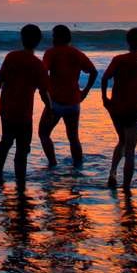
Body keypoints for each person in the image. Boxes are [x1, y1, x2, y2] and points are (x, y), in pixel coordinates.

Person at [0, 23, 53, 185]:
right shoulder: (38, 65)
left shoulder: (11, 57)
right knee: (22, 148)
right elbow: (44, 92)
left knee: (5, 141)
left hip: (7, 109)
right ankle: (20, 180)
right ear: (38, 41)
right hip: (24, 113)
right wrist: (50, 108)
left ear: (21, 39)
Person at [101, 26, 137, 190]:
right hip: (134, 108)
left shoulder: (118, 59)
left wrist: (104, 98)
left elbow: (105, 79)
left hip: (116, 107)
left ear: (127, 41)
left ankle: (112, 172)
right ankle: (126, 187)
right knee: (131, 150)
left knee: (122, 141)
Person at [39, 23, 97, 167]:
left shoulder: (51, 53)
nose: (52, 39)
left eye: (53, 36)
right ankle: (78, 166)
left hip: (56, 102)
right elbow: (93, 72)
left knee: (44, 134)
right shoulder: (76, 53)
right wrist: (85, 91)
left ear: (57, 38)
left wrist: (44, 94)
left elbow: (43, 73)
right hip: (73, 102)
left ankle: (52, 163)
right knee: (73, 138)